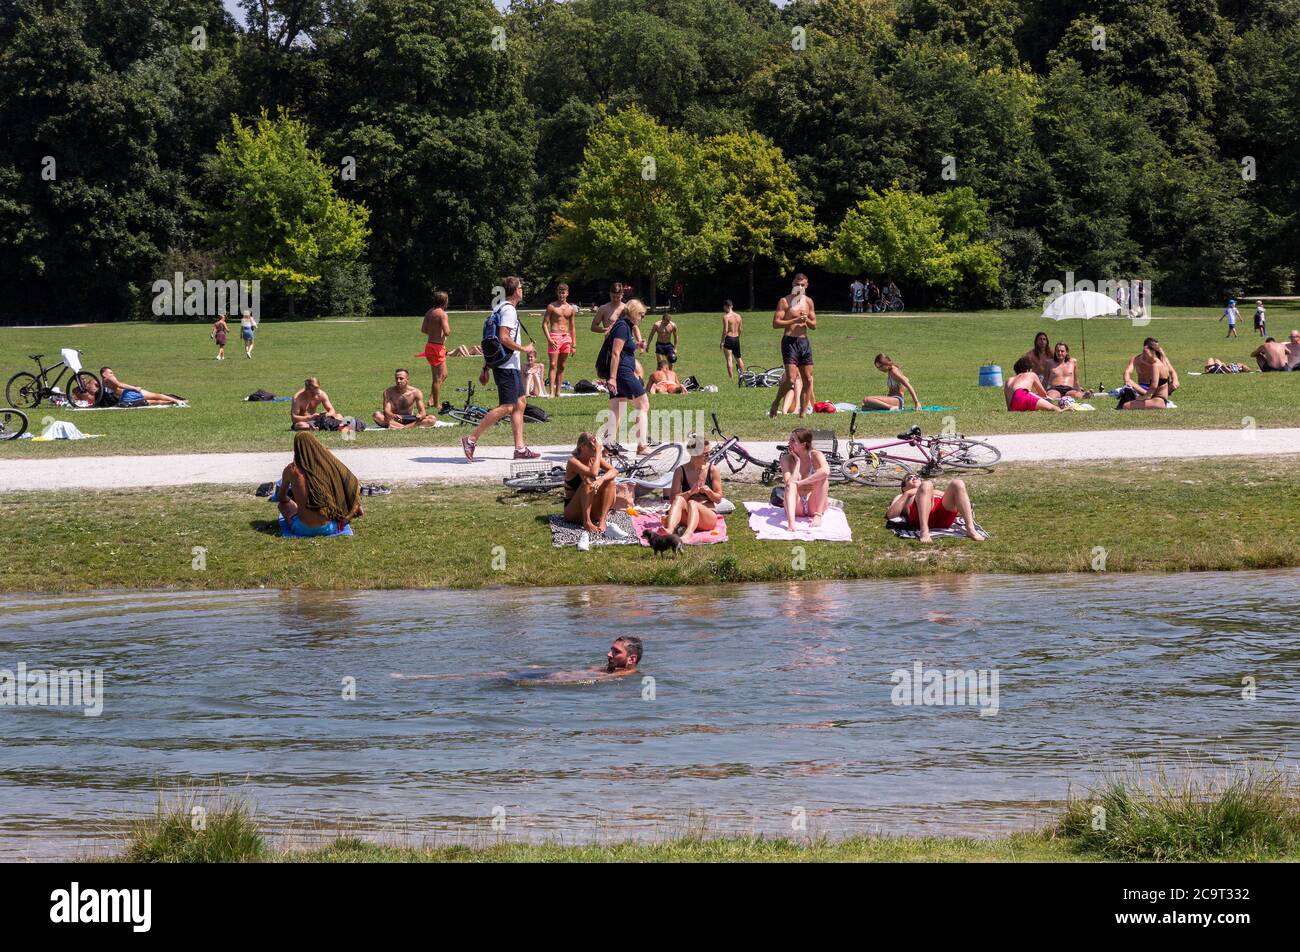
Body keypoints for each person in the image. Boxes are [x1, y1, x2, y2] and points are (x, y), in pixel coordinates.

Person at [462, 276, 538, 461]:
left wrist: (486, 367)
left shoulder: (501, 308)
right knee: (508, 406)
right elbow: (503, 338)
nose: (522, 290)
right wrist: (524, 348)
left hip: (506, 364)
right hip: (507, 366)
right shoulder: (509, 310)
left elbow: (492, 341)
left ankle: (519, 449)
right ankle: (471, 439)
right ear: (515, 291)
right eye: (521, 287)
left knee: (520, 403)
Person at [277, 431, 363, 536]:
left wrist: (296, 502)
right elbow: (351, 479)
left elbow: (281, 497)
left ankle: (300, 519)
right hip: (330, 528)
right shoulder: (326, 468)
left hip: (302, 529)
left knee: (282, 505)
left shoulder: (291, 470)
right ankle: (347, 517)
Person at [602, 298, 651, 454]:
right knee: (643, 404)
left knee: (617, 408)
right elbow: (615, 354)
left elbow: (622, 349)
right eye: (642, 315)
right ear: (635, 313)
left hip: (620, 372)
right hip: (622, 373)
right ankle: (642, 445)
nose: (642, 318)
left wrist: (636, 345)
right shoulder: (623, 327)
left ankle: (608, 445)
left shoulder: (624, 326)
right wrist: (613, 378)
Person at [564, 432, 624, 550]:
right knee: (588, 483)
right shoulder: (573, 461)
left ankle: (602, 520)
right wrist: (598, 452)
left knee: (610, 481)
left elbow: (614, 471)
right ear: (582, 447)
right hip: (573, 513)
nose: (595, 449)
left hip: (591, 508)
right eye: (593, 447)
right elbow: (593, 473)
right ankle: (587, 522)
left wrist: (602, 480)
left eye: (596, 447)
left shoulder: (593, 459)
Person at [768, 273, 817, 418]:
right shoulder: (785, 301)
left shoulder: (808, 302)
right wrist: (795, 319)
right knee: (790, 379)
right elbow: (776, 323)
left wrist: (806, 320)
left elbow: (814, 325)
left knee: (808, 378)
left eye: (802, 285)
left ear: (806, 285)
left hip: (804, 342)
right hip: (790, 341)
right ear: (792, 284)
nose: (800, 287)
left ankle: (803, 413)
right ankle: (776, 402)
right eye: (797, 284)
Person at [887, 473, 985, 543]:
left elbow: (958, 509)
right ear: (904, 488)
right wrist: (908, 493)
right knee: (927, 484)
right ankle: (924, 531)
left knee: (958, 483)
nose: (914, 478)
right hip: (919, 517)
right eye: (909, 478)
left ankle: (970, 529)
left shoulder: (934, 491)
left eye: (916, 476)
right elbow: (891, 515)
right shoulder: (902, 495)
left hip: (943, 516)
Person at [664, 435, 722, 539]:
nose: (708, 456)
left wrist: (709, 492)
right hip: (688, 515)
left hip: (707, 517)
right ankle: (670, 530)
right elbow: (672, 500)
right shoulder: (680, 471)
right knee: (679, 499)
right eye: (705, 454)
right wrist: (690, 492)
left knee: (692, 503)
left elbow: (718, 499)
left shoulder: (713, 470)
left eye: (709, 453)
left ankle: (688, 533)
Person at [779, 428, 829, 530]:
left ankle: (818, 516)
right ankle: (791, 523)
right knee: (790, 485)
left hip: (813, 505)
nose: (789, 443)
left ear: (803, 444)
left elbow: (825, 471)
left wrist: (802, 482)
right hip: (796, 506)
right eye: (790, 440)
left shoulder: (816, 455)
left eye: (793, 440)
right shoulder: (786, 459)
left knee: (823, 479)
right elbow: (788, 482)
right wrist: (797, 462)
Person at [1119, 337, 1179, 408]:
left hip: (1156, 396)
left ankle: (1146, 399)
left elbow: (1154, 386)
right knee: (1128, 383)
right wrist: (1127, 381)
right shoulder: (1138, 359)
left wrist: (1145, 397)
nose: (1158, 349)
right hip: (1147, 390)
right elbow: (1127, 372)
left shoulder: (1157, 364)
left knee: (1126, 406)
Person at [417, 291, 451, 411]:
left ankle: (432, 398)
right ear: (445, 301)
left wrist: (434, 333)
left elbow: (423, 329)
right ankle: (436, 404)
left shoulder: (429, 312)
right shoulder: (442, 314)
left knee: (444, 374)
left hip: (430, 346)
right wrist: (443, 334)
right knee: (437, 378)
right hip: (437, 348)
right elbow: (447, 331)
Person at [543, 283, 577, 399]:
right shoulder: (552, 307)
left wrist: (574, 345)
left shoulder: (571, 309)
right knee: (553, 364)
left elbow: (572, 327)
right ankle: (551, 392)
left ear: (567, 293)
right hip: (554, 336)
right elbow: (544, 324)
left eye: (563, 292)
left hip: (566, 338)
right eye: (559, 292)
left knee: (561, 366)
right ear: (557, 293)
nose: (561, 295)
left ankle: (558, 391)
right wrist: (549, 339)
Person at [372, 368, 436, 428]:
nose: (398, 381)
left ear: (407, 379)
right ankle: (409, 426)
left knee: (432, 419)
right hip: (394, 419)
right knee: (377, 415)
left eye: (401, 378)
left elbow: (422, 411)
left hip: (410, 418)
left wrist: (420, 416)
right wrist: (394, 415)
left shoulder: (416, 392)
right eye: (396, 378)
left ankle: (401, 427)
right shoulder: (388, 392)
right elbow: (386, 411)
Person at [98, 367, 185, 407]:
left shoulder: (103, 382)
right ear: (104, 373)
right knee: (156, 395)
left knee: (153, 401)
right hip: (129, 393)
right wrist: (134, 388)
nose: (112, 374)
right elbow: (120, 385)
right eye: (110, 372)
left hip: (125, 398)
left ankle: (173, 402)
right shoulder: (110, 378)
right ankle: (177, 401)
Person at [720, 300, 745, 379]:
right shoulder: (738, 316)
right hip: (736, 338)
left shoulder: (726, 317)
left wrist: (722, 341)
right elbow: (740, 329)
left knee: (729, 358)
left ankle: (731, 377)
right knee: (738, 358)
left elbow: (725, 330)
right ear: (732, 306)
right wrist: (738, 337)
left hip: (729, 338)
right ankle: (742, 375)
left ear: (725, 306)